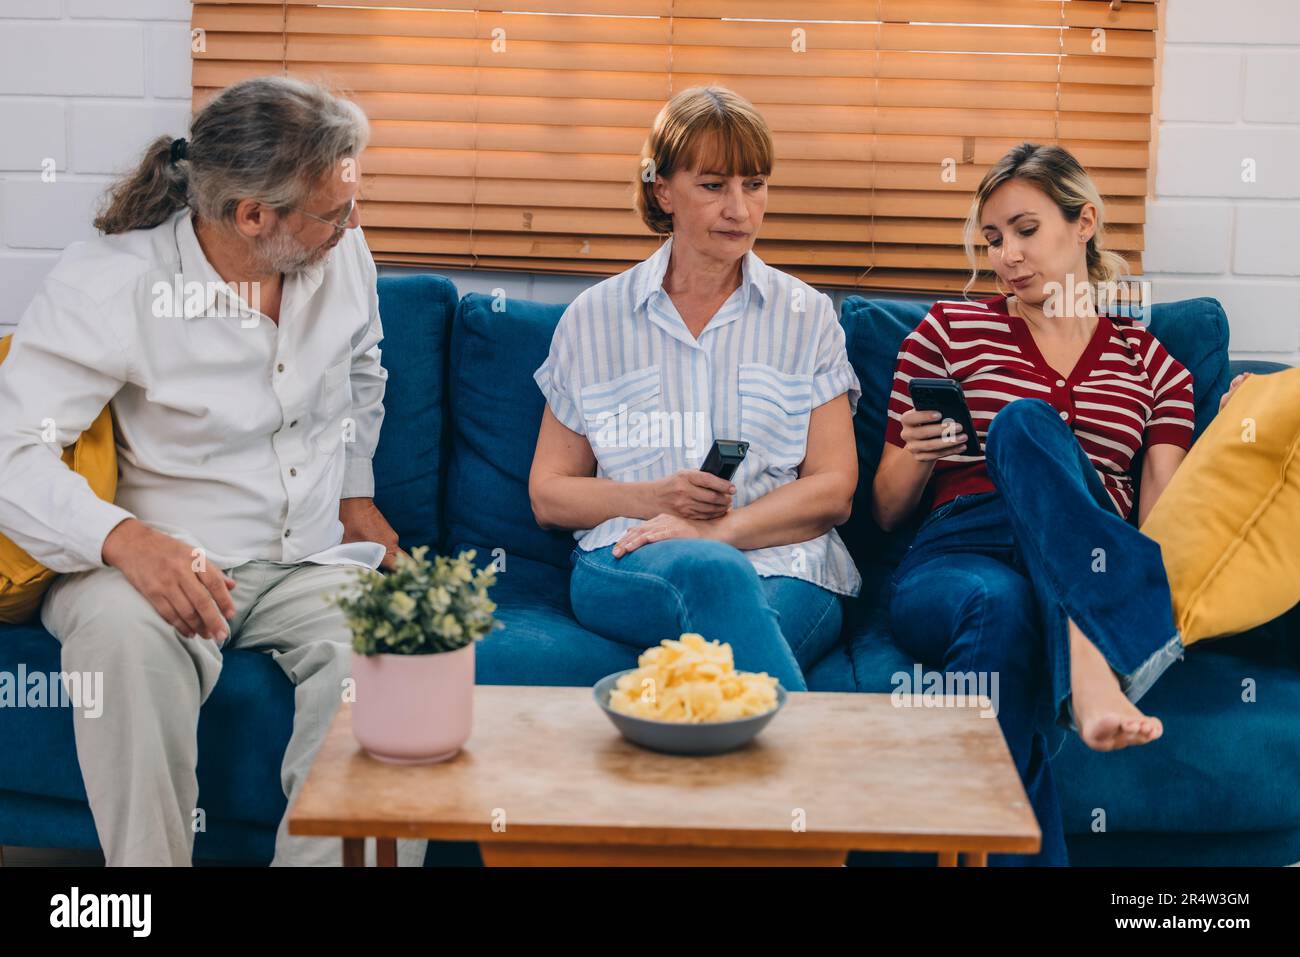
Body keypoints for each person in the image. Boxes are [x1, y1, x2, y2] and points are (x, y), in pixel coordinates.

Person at [0, 76, 424, 867]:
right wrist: (125, 540)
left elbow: (365, 370)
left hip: (306, 561)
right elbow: (10, 448)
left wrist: (356, 491)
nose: (353, 223)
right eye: (334, 210)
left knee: (404, 645)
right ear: (253, 216)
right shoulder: (112, 282)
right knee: (123, 641)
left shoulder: (342, 254)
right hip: (151, 561)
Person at [871, 142, 1252, 866]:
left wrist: (1233, 430)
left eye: (1025, 229)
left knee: (1008, 590)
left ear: (1083, 224)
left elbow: (1158, 521)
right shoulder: (946, 333)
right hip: (958, 552)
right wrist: (919, 453)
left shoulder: (1154, 365)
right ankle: (1089, 659)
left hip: (1088, 554)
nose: (1007, 255)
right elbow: (886, 515)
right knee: (1020, 438)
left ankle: (1078, 634)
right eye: (992, 239)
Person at [528, 86, 862, 691]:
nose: (740, 208)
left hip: (788, 566)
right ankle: (804, 777)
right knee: (715, 585)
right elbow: (550, 496)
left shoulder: (807, 316)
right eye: (713, 186)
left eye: (754, 184)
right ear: (663, 190)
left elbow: (834, 490)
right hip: (631, 560)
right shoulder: (593, 318)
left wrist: (718, 531)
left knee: (725, 606)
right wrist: (656, 497)